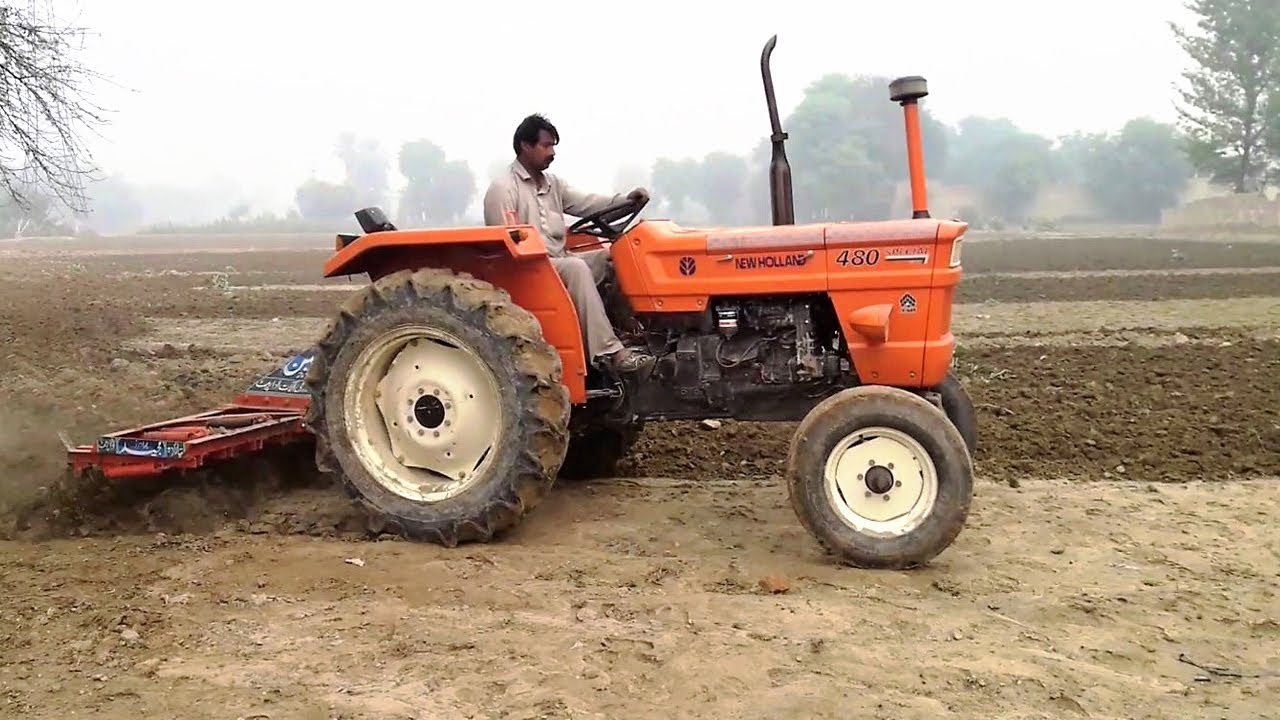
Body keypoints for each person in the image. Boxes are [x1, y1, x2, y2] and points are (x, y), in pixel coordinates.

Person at [483, 113, 655, 376]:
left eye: (553, 146)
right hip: (528, 270)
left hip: (558, 260)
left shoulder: (553, 184)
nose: (552, 153)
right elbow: (506, 245)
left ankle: (634, 332)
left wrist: (626, 201)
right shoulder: (504, 189)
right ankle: (609, 352)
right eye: (546, 146)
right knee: (576, 268)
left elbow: (588, 203)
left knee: (614, 257)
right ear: (525, 146)